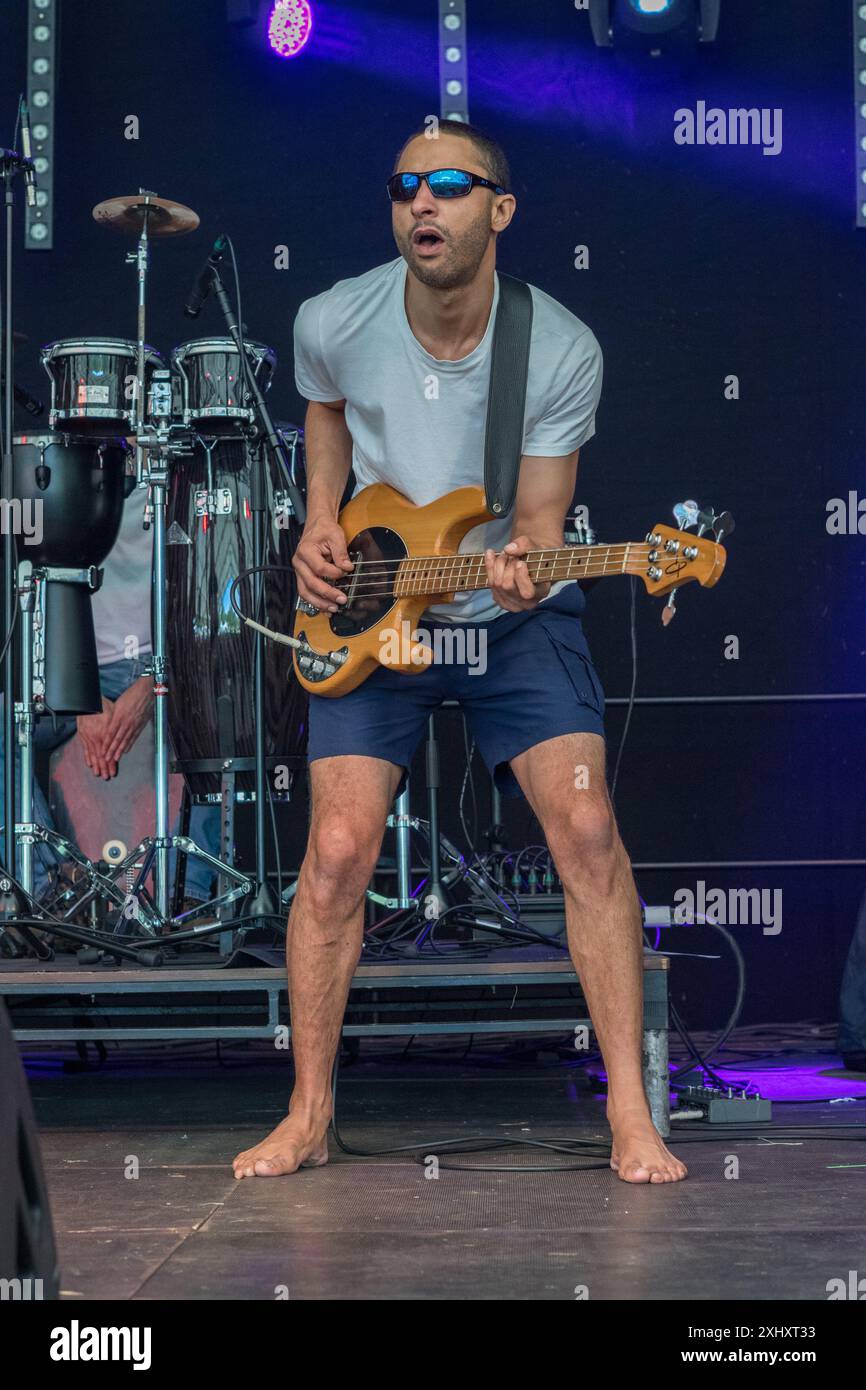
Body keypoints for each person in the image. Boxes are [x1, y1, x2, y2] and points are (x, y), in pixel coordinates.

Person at [232, 120, 687, 1184]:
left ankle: (628, 1112)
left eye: (446, 184)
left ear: (500, 209)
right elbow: (326, 408)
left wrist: (524, 561)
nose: (419, 203)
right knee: (337, 854)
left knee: (584, 829)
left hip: (505, 615)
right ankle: (306, 1113)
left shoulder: (559, 345)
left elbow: (536, 519)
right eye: (402, 186)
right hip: (371, 608)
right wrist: (319, 521)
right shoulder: (333, 316)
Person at [0, 481, 220, 907]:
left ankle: (188, 893)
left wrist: (160, 678)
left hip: (165, 665)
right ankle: (52, 884)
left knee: (218, 717)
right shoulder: (58, 475)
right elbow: (35, 597)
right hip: (74, 666)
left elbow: (210, 604)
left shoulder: (191, 478)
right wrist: (76, 686)